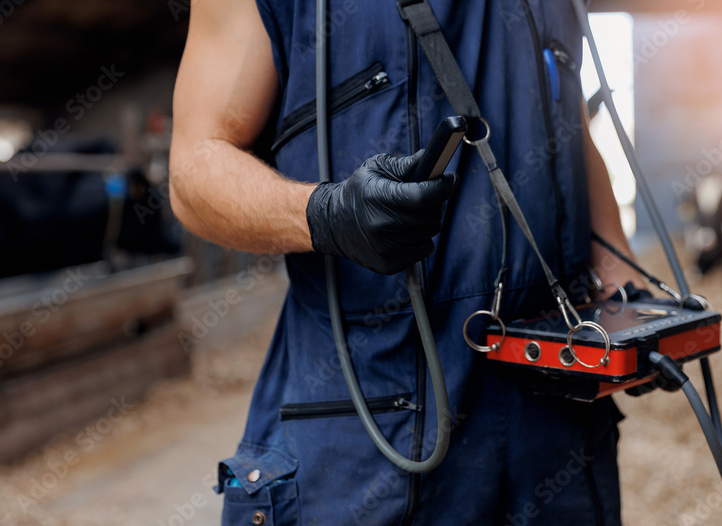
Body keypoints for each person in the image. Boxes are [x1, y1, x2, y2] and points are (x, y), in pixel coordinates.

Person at [170, 0, 643, 524]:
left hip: (559, 422)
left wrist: (622, 280)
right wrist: (326, 214)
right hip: (367, 429)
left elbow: (566, 114)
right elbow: (193, 170)